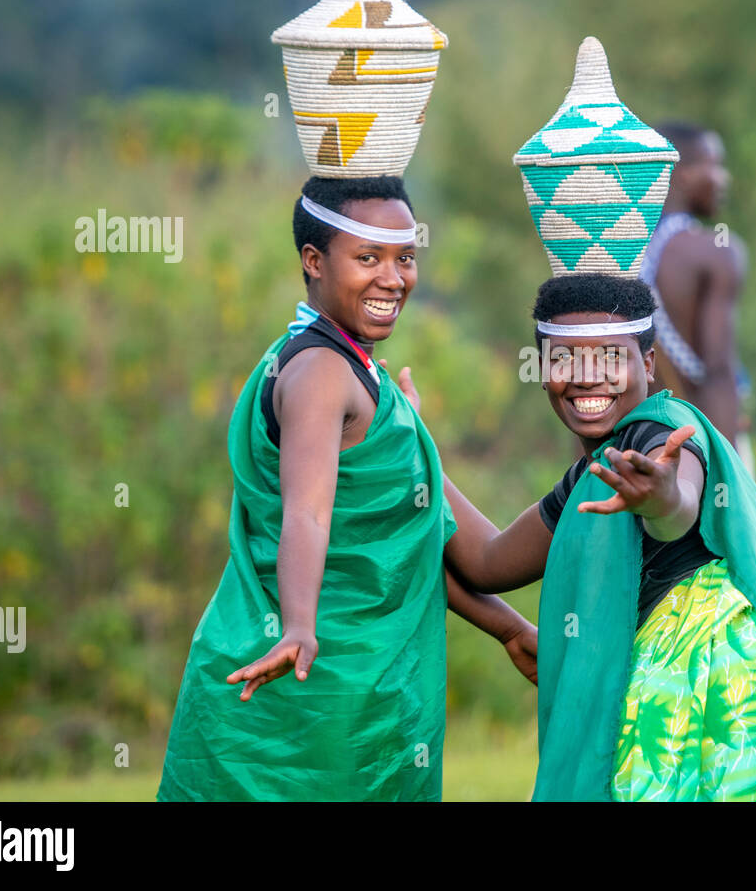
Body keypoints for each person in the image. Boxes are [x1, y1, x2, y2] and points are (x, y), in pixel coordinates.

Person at [417, 272, 756, 801]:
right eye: (563, 359)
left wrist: (661, 498)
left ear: (646, 365)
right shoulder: (591, 480)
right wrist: (413, 446)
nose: (586, 377)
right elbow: (486, 561)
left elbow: (680, 504)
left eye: (610, 356)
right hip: (667, 681)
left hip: (728, 686)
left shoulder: (662, 431)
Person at [157, 176, 537, 802]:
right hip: (305, 688)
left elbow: (399, 548)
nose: (394, 278)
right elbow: (306, 518)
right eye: (368, 258)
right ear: (313, 261)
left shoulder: (355, 376)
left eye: (405, 257)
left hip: (359, 690)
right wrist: (300, 625)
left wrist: (509, 630)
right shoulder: (321, 373)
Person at [642, 121, 756, 474]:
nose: (724, 179)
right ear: (681, 173)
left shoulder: (618, 254)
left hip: (634, 446)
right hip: (700, 448)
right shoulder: (715, 252)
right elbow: (718, 373)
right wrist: (729, 479)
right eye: (714, 164)